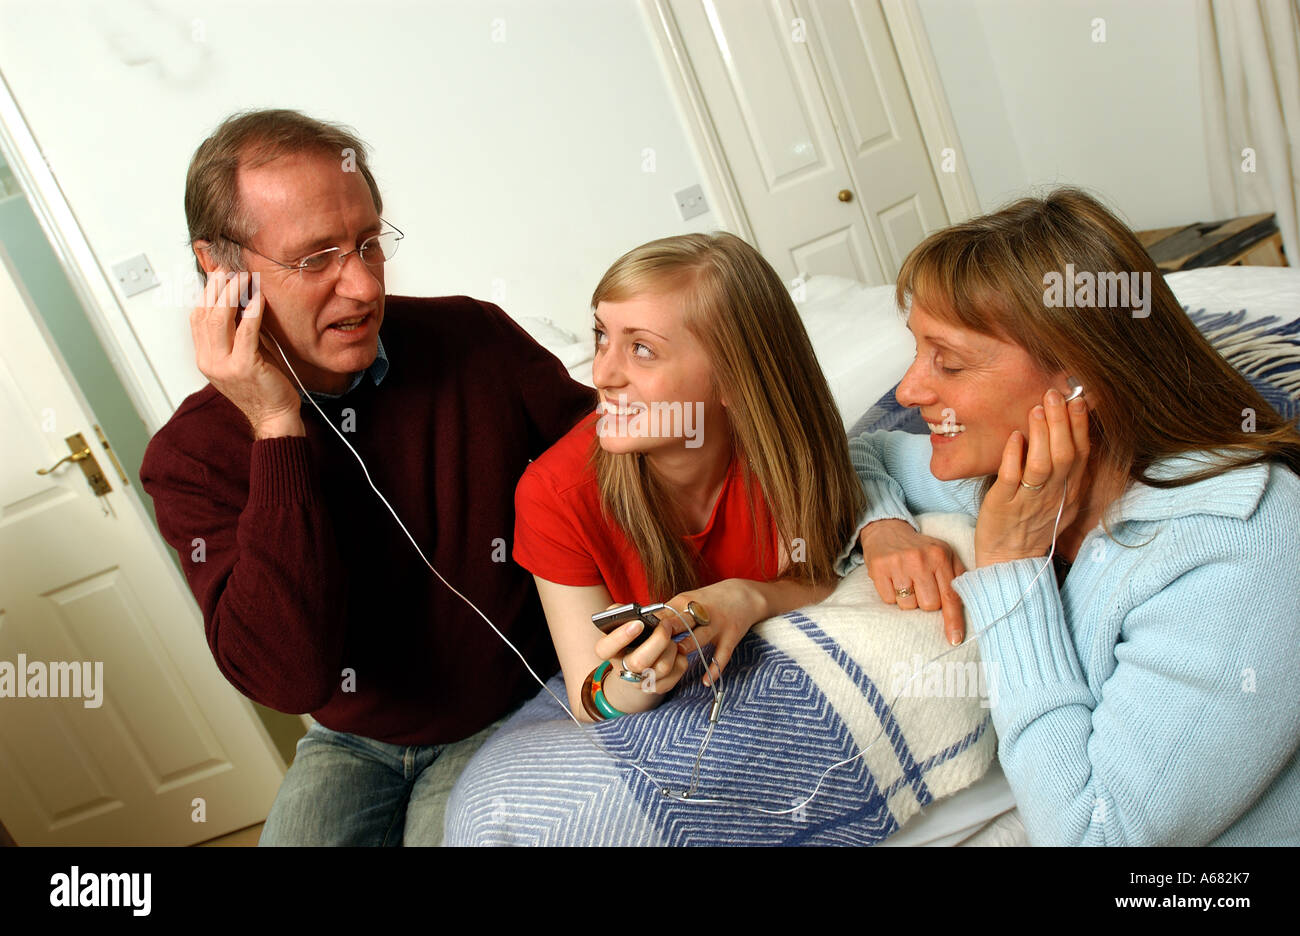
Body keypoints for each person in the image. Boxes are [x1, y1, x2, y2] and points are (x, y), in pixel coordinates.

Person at [139, 109, 595, 845]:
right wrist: (276, 426)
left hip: (513, 702)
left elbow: (615, 475)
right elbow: (289, 680)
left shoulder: (473, 338)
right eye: (314, 258)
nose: (360, 286)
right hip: (354, 740)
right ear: (221, 272)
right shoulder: (188, 458)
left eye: (369, 244)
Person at [838, 186, 1300, 845]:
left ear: (1079, 382)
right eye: (915, 350)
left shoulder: (1244, 546)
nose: (909, 390)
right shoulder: (1019, 478)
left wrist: (1011, 567)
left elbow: (1093, 837)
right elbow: (854, 457)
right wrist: (884, 528)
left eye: (949, 362)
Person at [510, 232, 865, 721]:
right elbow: (589, 698)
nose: (602, 374)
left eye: (642, 348)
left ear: (735, 377)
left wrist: (748, 597)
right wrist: (637, 681)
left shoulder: (786, 449)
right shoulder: (554, 493)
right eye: (602, 336)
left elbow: (826, 577)